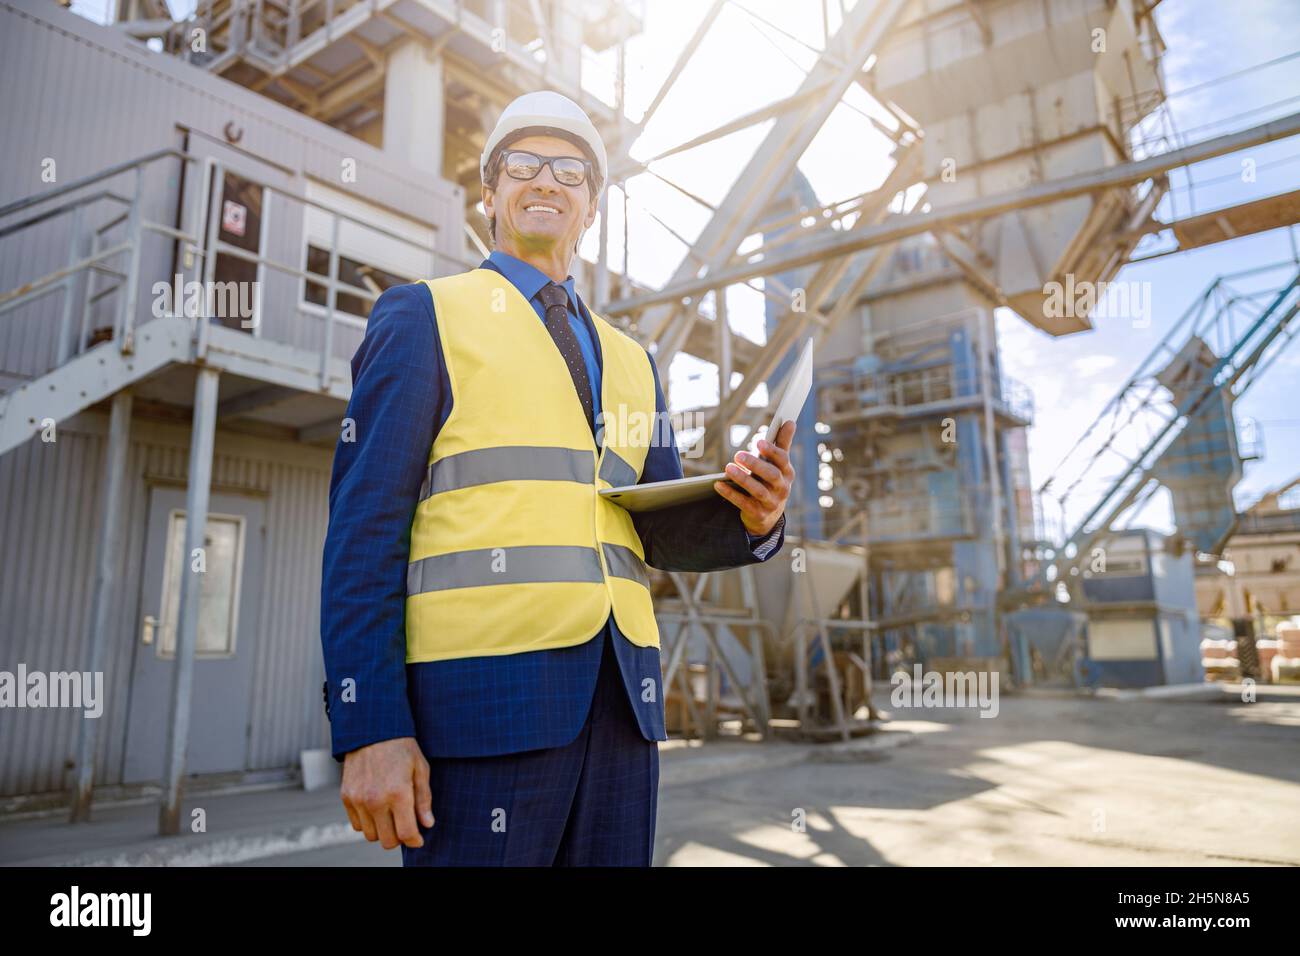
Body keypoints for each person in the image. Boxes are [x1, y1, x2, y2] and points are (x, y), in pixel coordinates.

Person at [320, 90, 795, 866]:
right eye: (524, 165)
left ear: (591, 207)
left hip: (622, 713)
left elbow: (658, 529)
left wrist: (753, 518)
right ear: (490, 194)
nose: (546, 182)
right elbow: (364, 532)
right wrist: (370, 725)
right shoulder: (423, 316)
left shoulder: (634, 360)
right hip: (481, 713)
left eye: (570, 172)